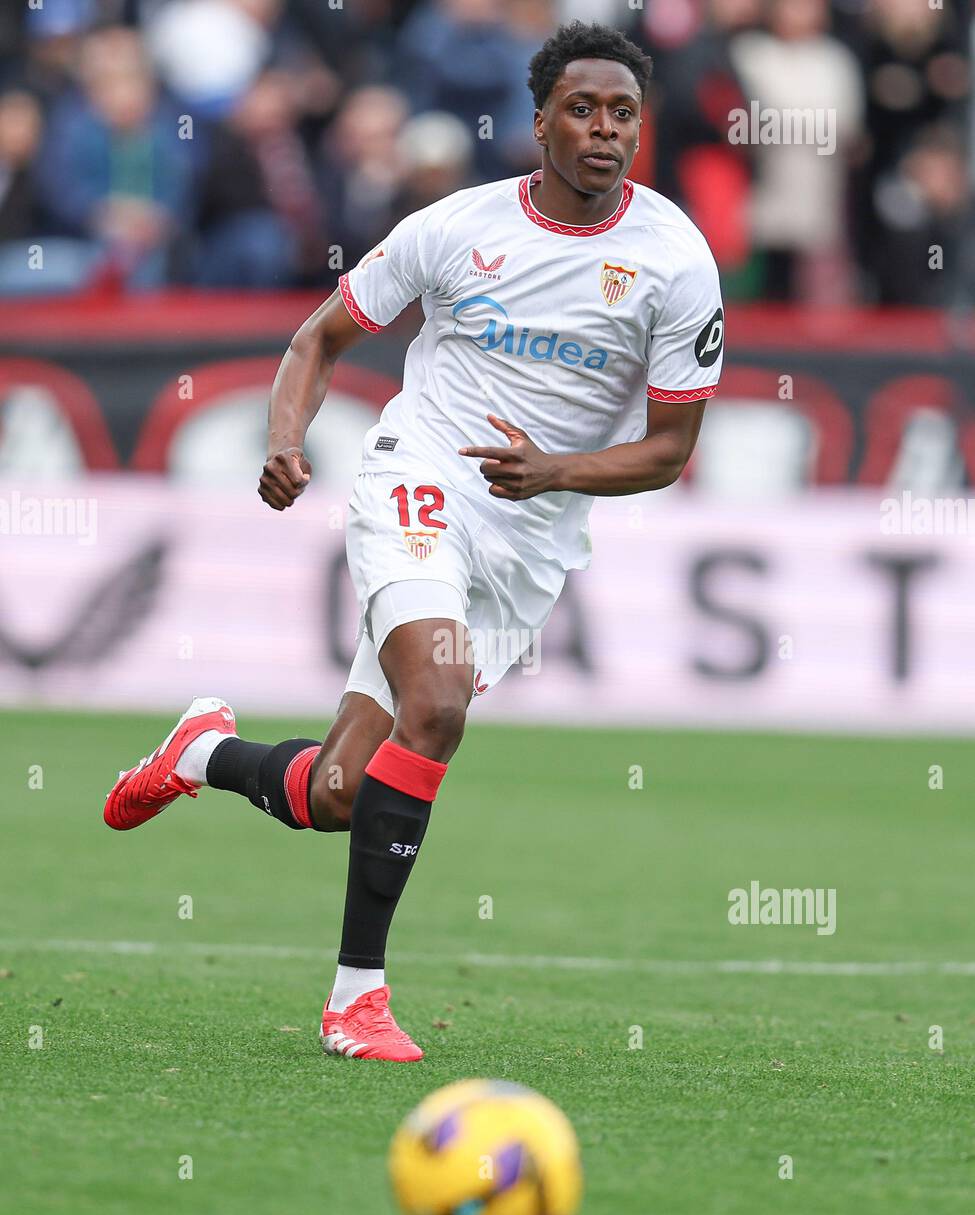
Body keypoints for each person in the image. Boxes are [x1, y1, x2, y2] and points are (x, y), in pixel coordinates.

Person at [103, 21, 724, 1063]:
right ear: (540, 123)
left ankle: (199, 751)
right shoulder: (455, 229)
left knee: (344, 792)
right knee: (434, 701)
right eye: (583, 108)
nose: (604, 128)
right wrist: (286, 437)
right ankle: (357, 999)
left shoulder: (674, 260)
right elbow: (321, 338)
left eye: (622, 112)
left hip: (533, 539)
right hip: (420, 479)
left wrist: (557, 472)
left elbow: (669, 450)